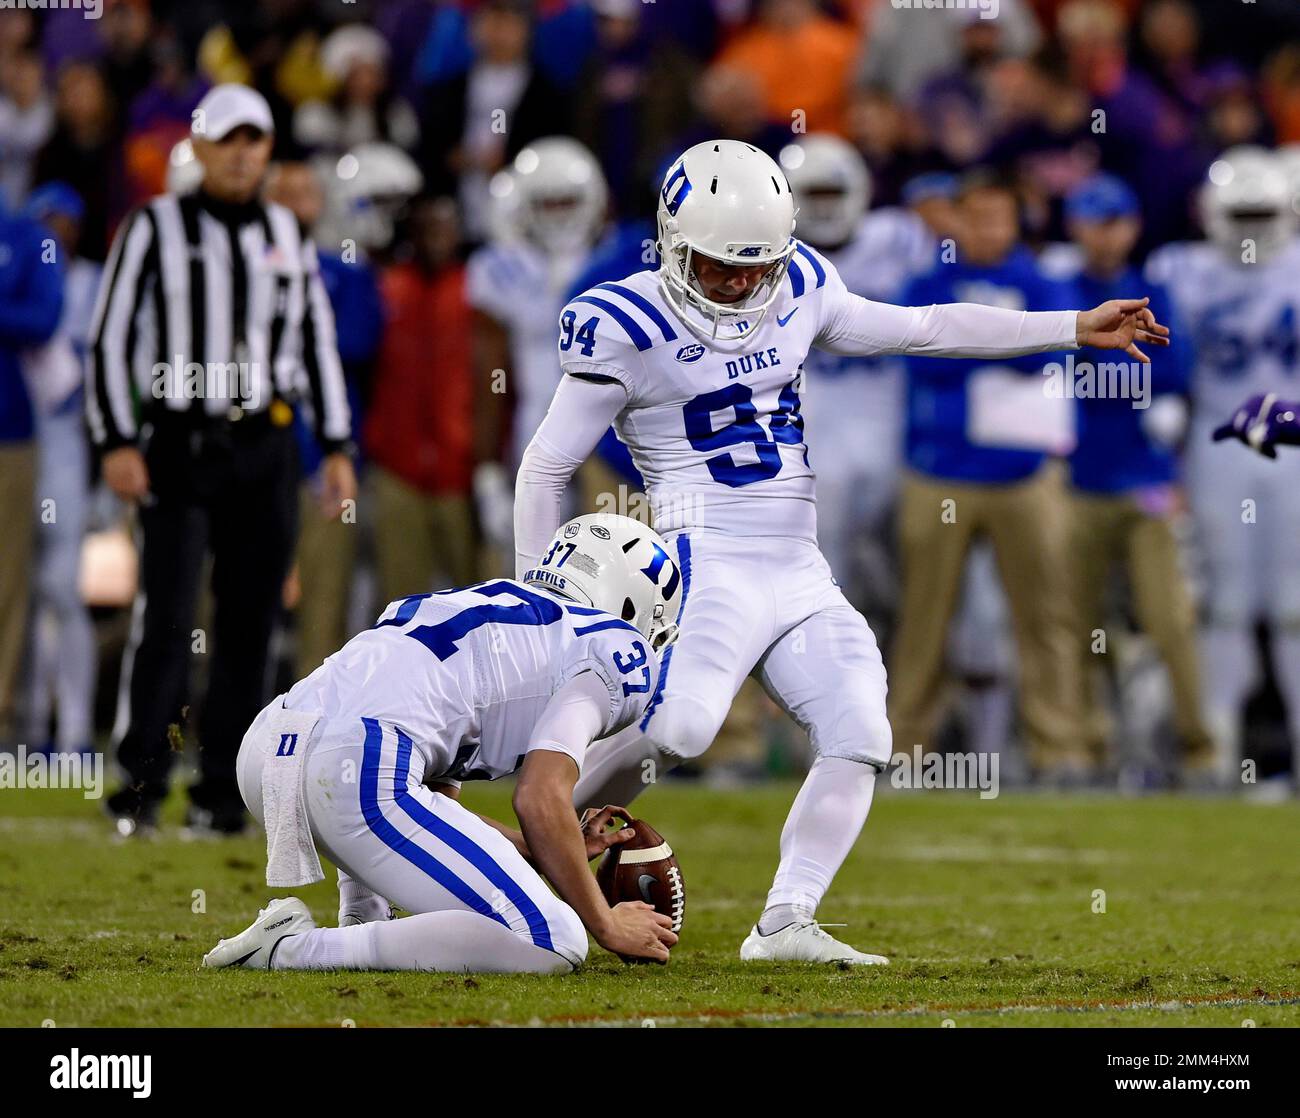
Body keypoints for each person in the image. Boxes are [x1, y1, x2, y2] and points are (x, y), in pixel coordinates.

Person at [514, 140, 1169, 964]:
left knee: (863, 729)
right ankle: (529, 837)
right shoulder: (623, 321)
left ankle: (786, 920)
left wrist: (1071, 326)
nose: (739, 283)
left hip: (796, 563)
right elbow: (546, 466)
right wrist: (539, 608)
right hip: (702, 556)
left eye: (755, 266)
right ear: (672, 240)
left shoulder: (800, 284)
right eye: (718, 266)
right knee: (680, 725)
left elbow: (926, 329)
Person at [202, 513, 682, 974]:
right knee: (552, 939)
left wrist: (546, 849)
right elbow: (539, 796)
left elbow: (435, 808)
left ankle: (363, 918)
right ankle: (291, 949)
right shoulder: (614, 646)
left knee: (393, 780)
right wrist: (605, 921)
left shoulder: (475, 608)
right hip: (358, 766)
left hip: (268, 749)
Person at [89, 84, 356, 837]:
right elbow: (108, 337)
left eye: (255, 140)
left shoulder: (286, 228)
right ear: (199, 148)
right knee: (168, 617)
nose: (242, 154)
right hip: (180, 441)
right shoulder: (152, 227)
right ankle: (139, 787)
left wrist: (334, 445)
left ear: (267, 151)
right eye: (227, 140)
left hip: (265, 444)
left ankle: (223, 794)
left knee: (250, 622)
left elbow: (315, 342)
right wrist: (115, 437)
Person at [889, 170, 1087, 782]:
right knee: (923, 616)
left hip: (1024, 474)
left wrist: (978, 346)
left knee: (1048, 615)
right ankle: (904, 748)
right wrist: (1007, 345)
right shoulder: (928, 283)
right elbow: (921, 359)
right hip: (939, 470)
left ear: (1016, 221)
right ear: (956, 220)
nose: (989, 229)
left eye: (1000, 217)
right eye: (977, 216)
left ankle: (1060, 750)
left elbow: (1056, 356)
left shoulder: (1042, 282)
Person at [1046, 173, 1212, 780]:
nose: (1105, 235)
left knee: (1169, 620)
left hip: (1144, 480)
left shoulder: (1154, 294)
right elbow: (1046, 373)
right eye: (1094, 220)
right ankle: (1087, 748)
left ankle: (1200, 751)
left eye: (1114, 221)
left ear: (1133, 226)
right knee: (1078, 622)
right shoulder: (1060, 290)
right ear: (1076, 225)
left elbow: (1176, 378)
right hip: (1076, 480)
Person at [1147, 146, 1300, 783]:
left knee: (1295, 606)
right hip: (1217, 445)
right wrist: (1162, 404)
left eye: (1262, 212)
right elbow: (1156, 359)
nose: (1252, 227)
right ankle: (1218, 750)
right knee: (1226, 602)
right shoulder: (1178, 270)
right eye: (1242, 212)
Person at [22, 183, 101, 758]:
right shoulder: (20, 277)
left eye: (65, 220)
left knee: (62, 592)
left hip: (71, 449)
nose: (56, 231)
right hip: (19, 445)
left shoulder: (94, 284)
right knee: (19, 594)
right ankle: (28, 725)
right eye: (47, 219)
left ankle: (72, 729)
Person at [0, 195, 63, 747]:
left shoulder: (26, 237)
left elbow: (44, 318)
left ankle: (2, 715)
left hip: (9, 433)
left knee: (7, 578)